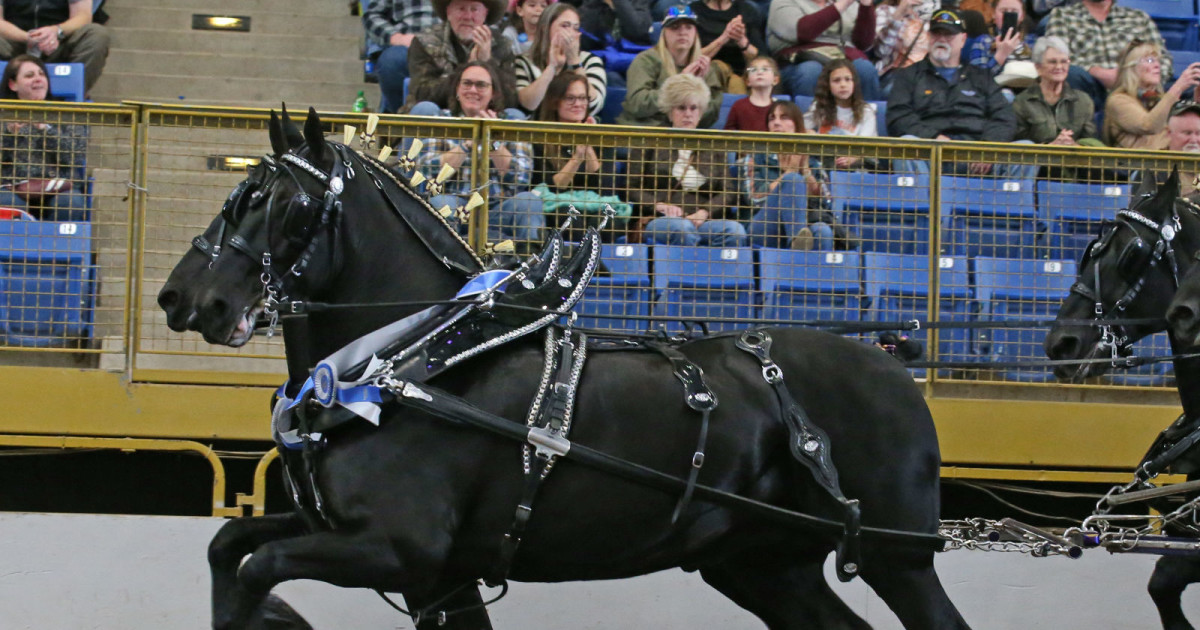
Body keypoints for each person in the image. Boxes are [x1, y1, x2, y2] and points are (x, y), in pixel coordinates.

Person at [886, 9, 1035, 177]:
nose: (942, 39)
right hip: (930, 155)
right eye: (936, 34)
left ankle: (1010, 204)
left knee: (1026, 148)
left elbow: (1004, 117)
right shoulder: (909, 75)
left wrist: (988, 147)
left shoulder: (981, 76)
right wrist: (933, 138)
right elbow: (898, 116)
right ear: (928, 37)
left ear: (963, 39)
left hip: (977, 158)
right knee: (907, 144)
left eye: (949, 35)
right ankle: (921, 204)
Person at [415, 62, 544, 246]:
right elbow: (429, 173)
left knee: (529, 202)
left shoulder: (510, 124)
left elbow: (520, 179)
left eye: (481, 85)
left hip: (498, 208)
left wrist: (492, 141)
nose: (473, 90)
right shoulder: (441, 121)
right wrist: (469, 143)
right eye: (467, 83)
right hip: (455, 202)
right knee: (441, 204)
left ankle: (530, 270)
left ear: (493, 93)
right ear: (457, 90)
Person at [628, 73, 746, 246]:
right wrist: (659, 205)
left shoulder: (714, 146)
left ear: (701, 112)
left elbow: (728, 191)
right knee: (682, 229)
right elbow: (630, 187)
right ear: (669, 112)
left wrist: (705, 212)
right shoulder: (649, 141)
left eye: (693, 108)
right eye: (681, 108)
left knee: (735, 232)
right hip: (660, 218)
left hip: (702, 220)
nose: (688, 114)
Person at [744, 100, 847, 250]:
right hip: (764, 225)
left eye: (784, 118)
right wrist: (790, 172)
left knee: (822, 231)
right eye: (772, 118)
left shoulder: (812, 162)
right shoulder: (756, 157)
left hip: (807, 222)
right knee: (792, 179)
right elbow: (754, 199)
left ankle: (809, 261)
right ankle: (797, 240)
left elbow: (826, 202)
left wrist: (805, 170)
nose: (776, 123)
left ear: (797, 126)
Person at [533, 72, 625, 235]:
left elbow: (606, 189)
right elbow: (550, 188)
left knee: (606, 220)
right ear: (555, 102)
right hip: (558, 207)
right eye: (570, 98)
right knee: (569, 218)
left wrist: (588, 148)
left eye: (583, 98)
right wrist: (577, 158)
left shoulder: (603, 139)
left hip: (594, 206)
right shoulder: (540, 140)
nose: (578, 104)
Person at [0, 54, 87, 221]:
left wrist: (45, 128)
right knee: (7, 203)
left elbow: (76, 157)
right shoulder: (3, 116)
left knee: (71, 203)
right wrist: (9, 134)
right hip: (11, 187)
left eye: (41, 74)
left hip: (58, 186)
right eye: (29, 75)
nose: (38, 79)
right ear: (13, 84)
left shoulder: (67, 115)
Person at [1045, 0, 1173, 114]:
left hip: (1136, 92)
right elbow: (1055, 58)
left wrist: (1132, 77)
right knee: (1070, 74)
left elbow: (1163, 59)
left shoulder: (1138, 18)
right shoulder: (1062, 16)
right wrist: (1096, 71)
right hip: (1090, 91)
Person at [616, 5, 724, 127]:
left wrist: (699, 94)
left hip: (686, 135)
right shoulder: (646, 60)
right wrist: (678, 84)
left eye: (688, 27)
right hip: (645, 132)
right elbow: (637, 104)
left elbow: (712, 114)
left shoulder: (704, 66)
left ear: (695, 33)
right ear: (664, 33)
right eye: (675, 27)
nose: (683, 32)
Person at [405, 0, 518, 111]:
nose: (468, 16)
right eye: (461, 9)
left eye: (474, 9)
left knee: (514, 115)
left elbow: (511, 98)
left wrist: (488, 64)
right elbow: (421, 93)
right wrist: (467, 70)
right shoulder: (425, 41)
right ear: (448, 12)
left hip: (488, 114)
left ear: (485, 14)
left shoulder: (502, 44)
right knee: (425, 109)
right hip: (440, 114)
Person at [767, 0, 883, 100]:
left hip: (842, 58)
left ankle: (867, 122)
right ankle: (809, 123)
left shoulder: (848, 5)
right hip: (799, 60)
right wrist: (842, 4)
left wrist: (866, 6)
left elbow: (863, 44)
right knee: (810, 71)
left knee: (866, 69)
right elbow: (803, 32)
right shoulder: (783, 2)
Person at [1102, 40, 1200, 150]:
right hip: (1137, 164)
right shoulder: (1118, 100)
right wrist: (1178, 87)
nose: (1157, 65)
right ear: (1131, 68)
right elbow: (1148, 125)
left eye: (1158, 61)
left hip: (1170, 162)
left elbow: (1186, 131)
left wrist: (1197, 102)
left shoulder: (1158, 98)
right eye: (1149, 60)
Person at [515, 3, 607, 118]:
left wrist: (575, 62)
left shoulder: (591, 61)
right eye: (565, 26)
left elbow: (593, 107)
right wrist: (552, 68)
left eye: (576, 28)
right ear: (545, 29)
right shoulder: (524, 61)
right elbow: (527, 105)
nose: (571, 33)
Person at [0, 0, 109, 92]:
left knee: (96, 35)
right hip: (15, 41)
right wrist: (26, 37)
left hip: (60, 42)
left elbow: (83, 16)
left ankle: (72, 95)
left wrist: (57, 31)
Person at [1012, 36, 1101, 147]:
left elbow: (1092, 142)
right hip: (1038, 162)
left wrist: (1075, 146)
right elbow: (1019, 146)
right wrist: (1050, 148)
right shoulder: (1022, 102)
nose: (1059, 67)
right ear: (1038, 67)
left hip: (1076, 161)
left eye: (1064, 61)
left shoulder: (1083, 101)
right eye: (1052, 62)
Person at [363, 0, 440, 113]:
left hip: (451, 43)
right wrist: (397, 38)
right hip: (408, 44)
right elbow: (371, 16)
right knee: (391, 61)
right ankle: (400, 118)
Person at [805, 58, 877, 170]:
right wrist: (809, 132)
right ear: (828, 85)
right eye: (836, 80)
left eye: (848, 79)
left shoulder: (866, 111)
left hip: (856, 165)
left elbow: (867, 145)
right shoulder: (819, 107)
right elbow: (801, 128)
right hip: (824, 160)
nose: (843, 85)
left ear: (854, 83)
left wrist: (853, 157)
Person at [691, 0, 766, 93]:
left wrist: (742, 40)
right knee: (719, 67)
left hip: (743, 73)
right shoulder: (694, 11)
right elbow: (690, 57)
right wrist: (724, 37)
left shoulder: (746, 10)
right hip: (707, 73)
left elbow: (762, 56)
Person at [872, 0, 936, 93]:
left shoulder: (927, 17)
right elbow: (882, 51)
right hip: (897, 73)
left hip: (926, 74)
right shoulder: (885, 11)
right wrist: (898, 15)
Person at [965, 0, 1038, 79]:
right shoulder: (983, 41)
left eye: (1014, 11)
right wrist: (1001, 55)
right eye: (1003, 11)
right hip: (994, 89)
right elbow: (977, 79)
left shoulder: (1033, 41)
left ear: (1022, 16)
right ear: (993, 14)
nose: (1008, 15)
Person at [724, 56, 779, 131]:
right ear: (747, 81)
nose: (759, 72)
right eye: (753, 70)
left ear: (775, 80)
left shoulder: (779, 107)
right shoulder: (739, 106)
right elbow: (728, 135)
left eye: (765, 69)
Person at [575, 0, 655, 52]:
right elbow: (584, 40)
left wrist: (618, 3)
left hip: (628, 55)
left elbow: (639, 31)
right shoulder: (593, 4)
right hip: (600, 55)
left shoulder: (639, 2)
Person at [1167, 100, 1200, 199]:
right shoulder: (1153, 171)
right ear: (1168, 134)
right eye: (1187, 133)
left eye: (1198, 133)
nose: (1194, 140)